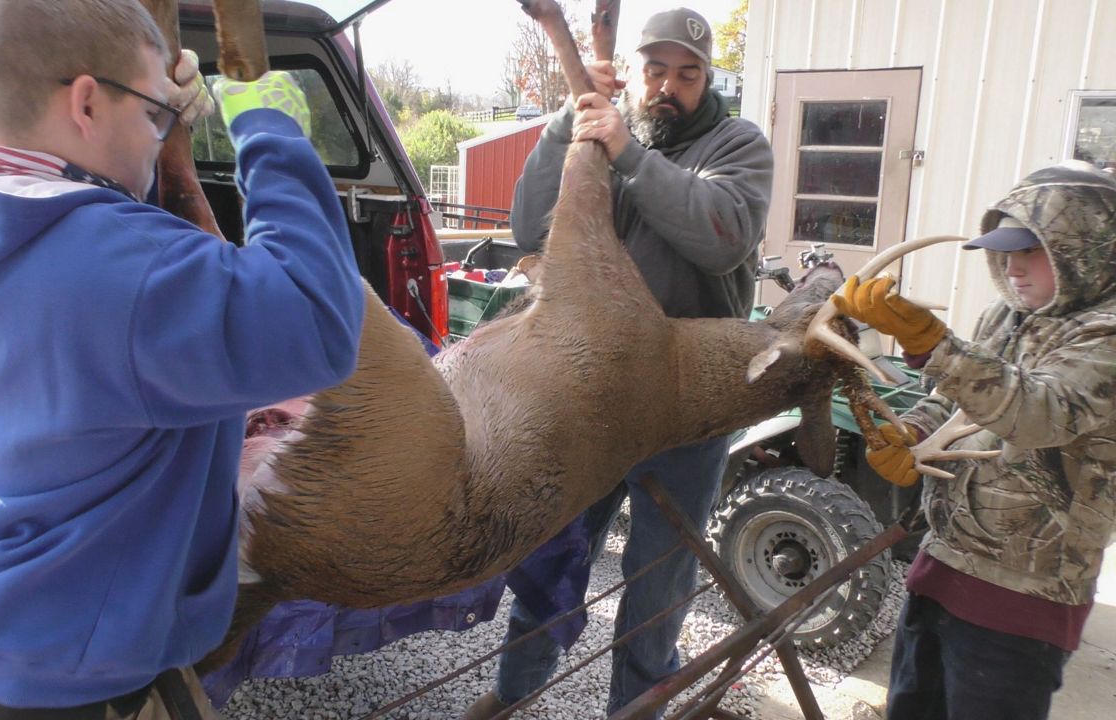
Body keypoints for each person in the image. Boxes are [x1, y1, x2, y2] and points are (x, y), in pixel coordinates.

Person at [0, 0, 365, 717]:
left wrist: (149, 104)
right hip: (62, 694)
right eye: (151, 116)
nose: (159, 138)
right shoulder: (113, 270)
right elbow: (319, 320)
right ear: (85, 101)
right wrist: (267, 127)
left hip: (15, 658)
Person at [463, 7, 773, 719]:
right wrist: (564, 126)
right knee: (554, 556)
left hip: (688, 403)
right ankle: (513, 694)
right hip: (592, 391)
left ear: (707, 79)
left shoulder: (737, 145)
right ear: (633, 73)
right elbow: (527, 225)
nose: (669, 86)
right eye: (655, 70)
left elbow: (722, 236)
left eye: (687, 74)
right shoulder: (603, 131)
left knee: (658, 582)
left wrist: (630, 152)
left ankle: (634, 711)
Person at [832, 161, 1116, 720]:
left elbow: (1039, 412)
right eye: (1006, 252)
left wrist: (934, 346)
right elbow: (960, 400)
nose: (1012, 268)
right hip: (944, 564)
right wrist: (909, 432)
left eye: (1033, 251)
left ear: (1084, 249)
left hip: (1024, 595)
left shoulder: (1105, 337)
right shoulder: (1006, 316)